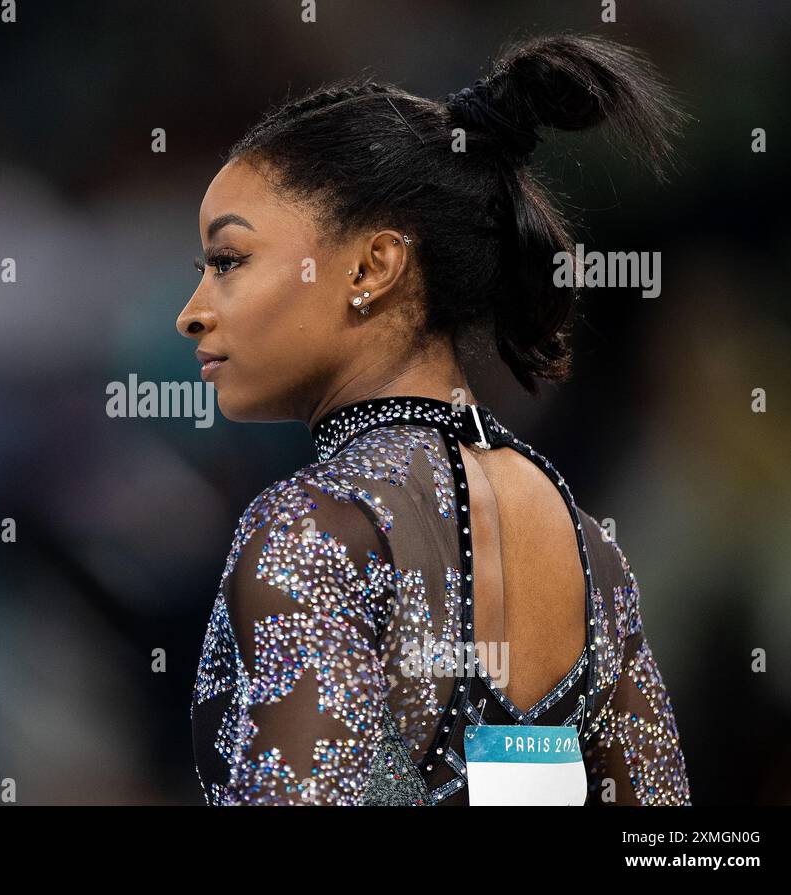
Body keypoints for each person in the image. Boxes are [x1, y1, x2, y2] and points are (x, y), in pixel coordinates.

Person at [181, 34, 690, 805]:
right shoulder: (589, 548)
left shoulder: (315, 528)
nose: (193, 314)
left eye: (228, 262)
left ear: (372, 265)